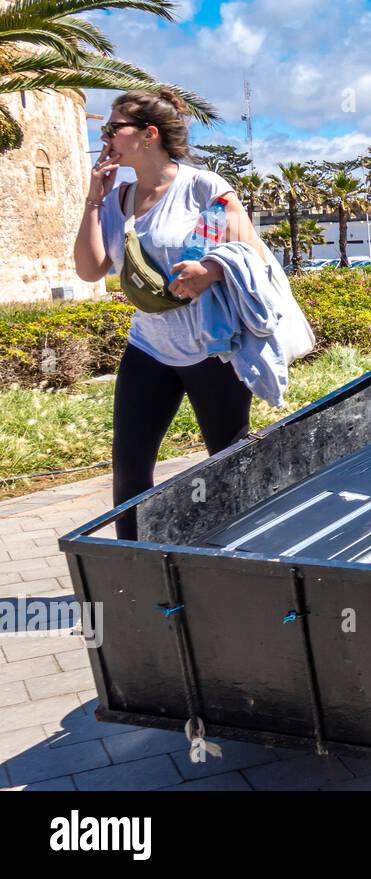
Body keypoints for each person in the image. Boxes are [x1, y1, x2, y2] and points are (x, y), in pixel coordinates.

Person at [73, 89, 309, 540]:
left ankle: (240, 551)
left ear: (149, 135)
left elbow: (252, 253)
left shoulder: (203, 187)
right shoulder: (116, 198)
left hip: (211, 348)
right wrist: (92, 198)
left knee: (227, 459)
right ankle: (134, 563)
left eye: (113, 128)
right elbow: (89, 269)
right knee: (129, 465)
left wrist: (210, 269)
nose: (103, 137)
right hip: (148, 347)